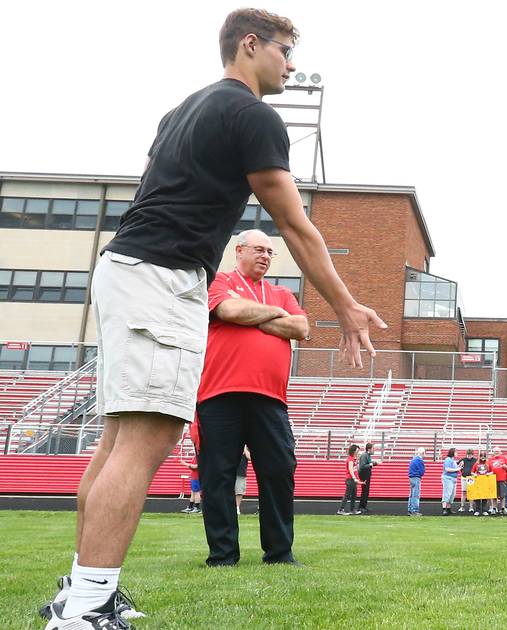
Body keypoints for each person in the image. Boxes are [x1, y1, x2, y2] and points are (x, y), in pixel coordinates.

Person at [41, 9, 386, 627]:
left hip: (127, 268)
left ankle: (82, 588)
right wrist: (347, 306)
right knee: (142, 443)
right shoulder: (253, 114)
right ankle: (85, 609)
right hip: (162, 274)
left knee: (117, 441)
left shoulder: (183, 109)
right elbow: (294, 224)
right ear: (250, 45)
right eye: (285, 50)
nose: (291, 65)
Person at [196, 228, 308, 568]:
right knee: (218, 474)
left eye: (270, 252)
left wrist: (253, 315)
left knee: (279, 469)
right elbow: (229, 311)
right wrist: (274, 314)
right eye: (259, 249)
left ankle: (279, 552)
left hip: (270, 398)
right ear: (239, 250)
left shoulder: (282, 292)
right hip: (220, 393)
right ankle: (223, 555)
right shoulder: (218, 281)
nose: (265, 256)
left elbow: (301, 328)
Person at [337, 445, 363, 516]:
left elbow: (355, 469)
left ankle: (352, 510)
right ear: (353, 451)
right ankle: (341, 509)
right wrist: (354, 478)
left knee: (354, 495)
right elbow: (350, 469)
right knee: (347, 495)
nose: (358, 452)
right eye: (357, 450)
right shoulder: (350, 459)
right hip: (350, 479)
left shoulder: (354, 459)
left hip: (353, 480)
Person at [356, 443, 377, 514]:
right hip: (364, 475)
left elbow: (368, 464)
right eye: (373, 448)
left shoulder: (368, 455)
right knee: (364, 491)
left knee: (366, 491)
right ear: (369, 449)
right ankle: (361, 507)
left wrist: (373, 463)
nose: (374, 450)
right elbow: (362, 466)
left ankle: (364, 506)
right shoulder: (364, 455)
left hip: (366, 475)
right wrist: (372, 464)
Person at [487, 447, 507, 514]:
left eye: (498, 451)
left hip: (502, 479)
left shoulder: (504, 458)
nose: (496, 453)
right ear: (493, 452)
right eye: (495, 451)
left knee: (502, 495)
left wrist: (505, 466)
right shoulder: (490, 460)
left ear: (500, 452)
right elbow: (488, 470)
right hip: (493, 479)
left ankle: (503, 508)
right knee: (494, 495)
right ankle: (494, 508)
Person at [441, 448, 461, 516]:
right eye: (456, 452)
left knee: (452, 494)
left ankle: (449, 509)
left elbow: (454, 468)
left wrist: (459, 467)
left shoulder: (453, 460)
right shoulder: (448, 459)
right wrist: (457, 469)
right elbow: (447, 469)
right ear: (452, 453)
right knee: (447, 493)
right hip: (448, 478)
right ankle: (444, 509)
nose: (457, 453)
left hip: (453, 479)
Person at [407, 448, 426, 516]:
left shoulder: (413, 459)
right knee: (416, 495)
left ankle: (410, 510)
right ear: (423, 453)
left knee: (412, 494)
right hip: (416, 477)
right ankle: (414, 510)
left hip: (411, 477)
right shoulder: (419, 460)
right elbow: (422, 471)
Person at [234, 448, 251, 516]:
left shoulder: (247, 448)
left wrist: (244, 449)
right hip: (230, 473)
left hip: (241, 473)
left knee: (239, 491)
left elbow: (249, 457)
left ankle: (237, 507)